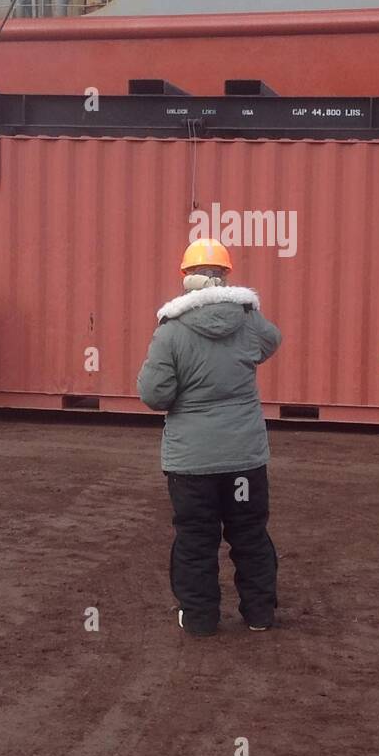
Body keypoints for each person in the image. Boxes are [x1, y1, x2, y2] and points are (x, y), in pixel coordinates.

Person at [137, 238, 282, 637]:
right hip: (245, 459)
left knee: (196, 538)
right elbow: (272, 341)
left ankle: (200, 619)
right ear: (226, 274)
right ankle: (260, 615)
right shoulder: (249, 320)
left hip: (192, 463)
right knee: (250, 533)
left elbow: (154, 395)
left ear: (185, 276)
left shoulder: (170, 331)